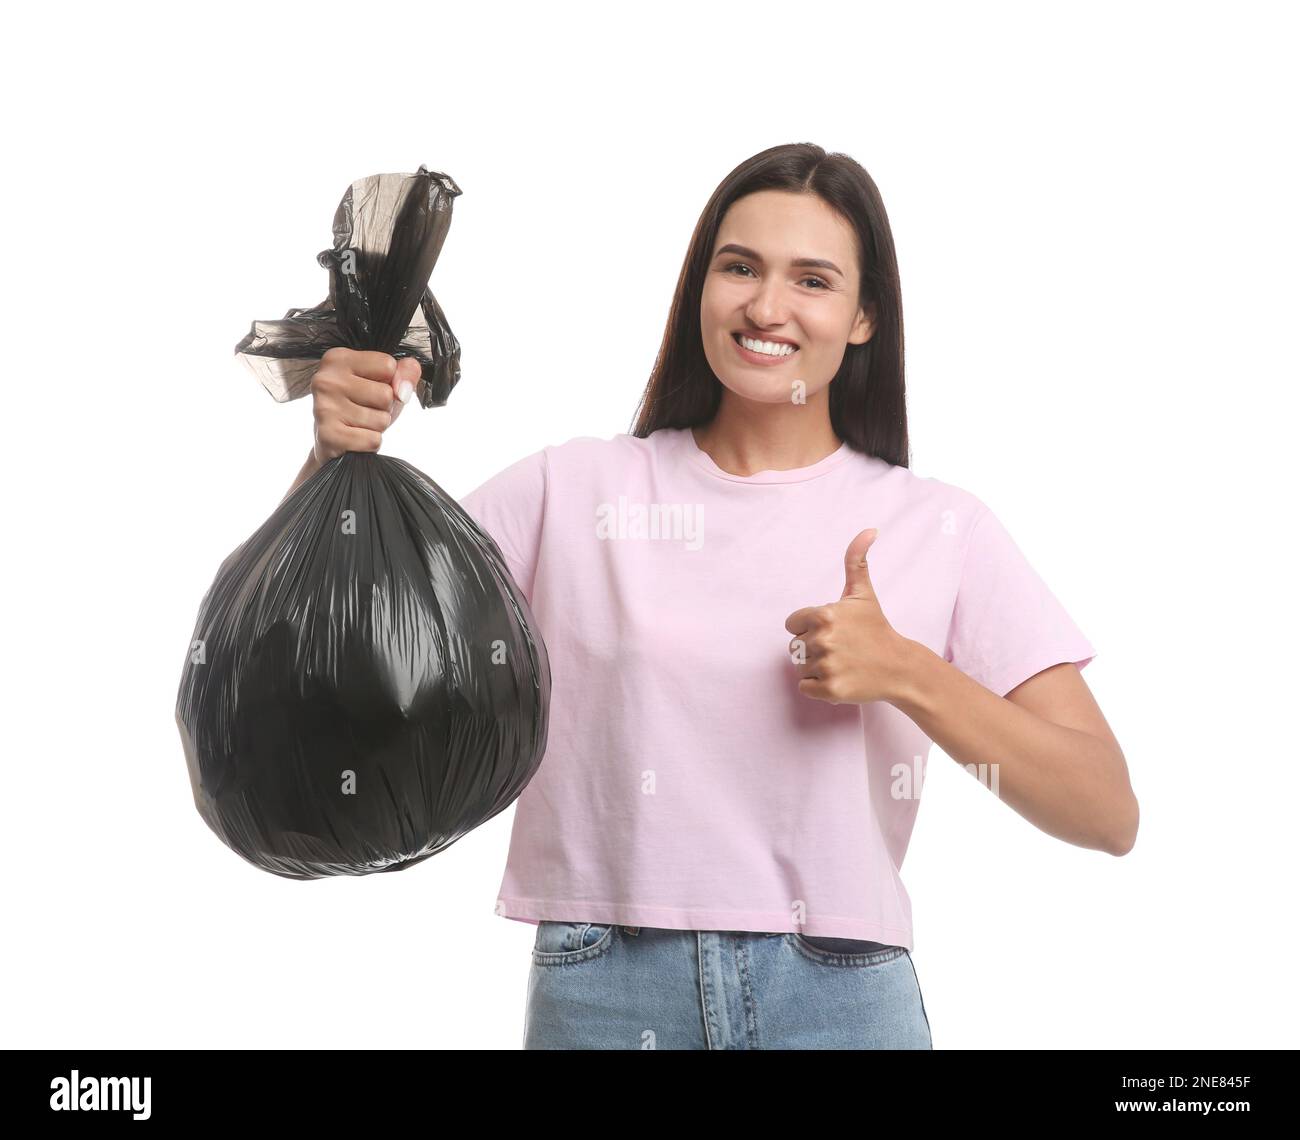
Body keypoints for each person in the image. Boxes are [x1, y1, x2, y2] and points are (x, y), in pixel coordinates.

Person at [283, 143, 1138, 1050]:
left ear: (864, 316)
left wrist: (909, 672)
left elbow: (1105, 809)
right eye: (740, 268)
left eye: (813, 280)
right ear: (701, 286)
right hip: (607, 988)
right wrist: (333, 461)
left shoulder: (939, 527)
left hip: (842, 998)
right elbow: (324, 643)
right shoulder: (573, 491)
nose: (766, 308)